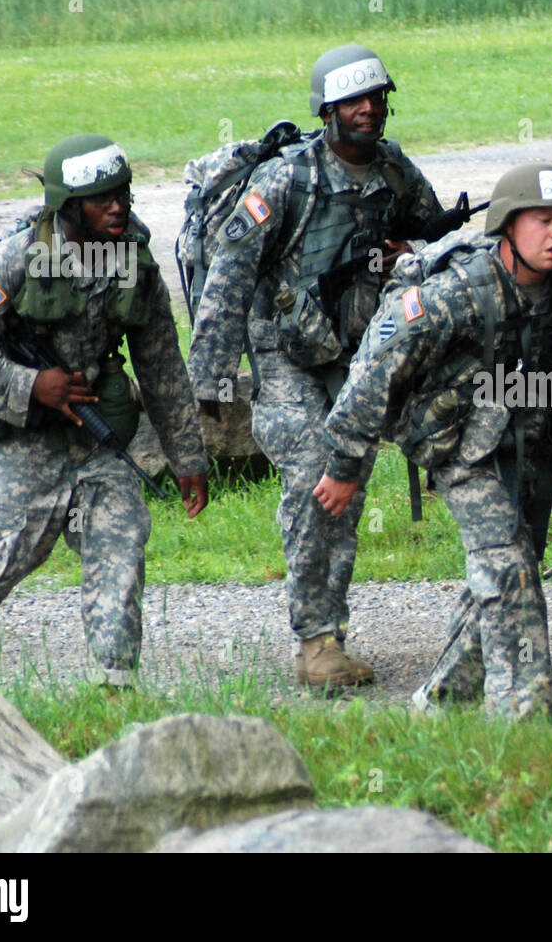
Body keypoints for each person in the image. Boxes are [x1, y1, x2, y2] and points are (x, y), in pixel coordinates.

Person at [313, 163, 552, 718]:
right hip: (460, 445)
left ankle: (439, 704)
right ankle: (522, 721)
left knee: (510, 570)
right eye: (542, 219)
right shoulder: (457, 292)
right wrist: (344, 465)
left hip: (535, 441)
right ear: (508, 224)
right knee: (507, 568)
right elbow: (374, 375)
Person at [187, 44, 443, 688]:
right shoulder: (287, 181)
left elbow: (435, 238)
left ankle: (329, 629)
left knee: (346, 488)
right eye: (352, 102)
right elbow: (230, 274)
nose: (367, 110)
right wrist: (212, 380)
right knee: (313, 480)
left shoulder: (392, 170)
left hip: (355, 354)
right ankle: (316, 640)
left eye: (375, 98)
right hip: (285, 353)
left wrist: (406, 252)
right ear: (326, 112)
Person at [0, 134, 209, 685]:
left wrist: (188, 457)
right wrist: (33, 385)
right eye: (103, 199)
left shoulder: (134, 262)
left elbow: (162, 364)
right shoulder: (16, 259)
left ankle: (115, 683)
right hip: (23, 439)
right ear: (70, 208)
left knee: (121, 547)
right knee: (1, 561)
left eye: (123, 193)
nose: (119, 206)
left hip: (96, 437)